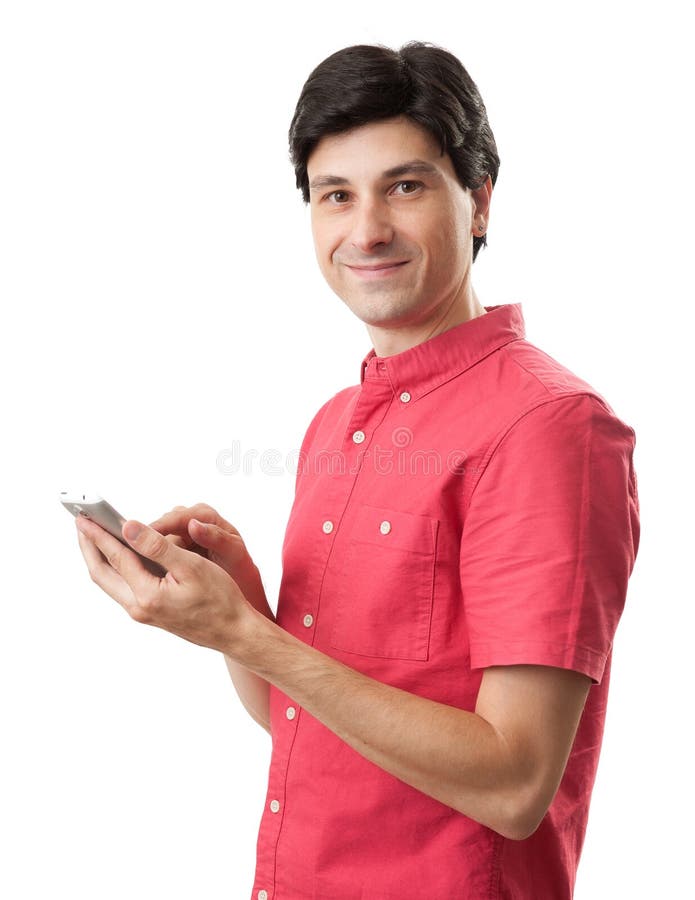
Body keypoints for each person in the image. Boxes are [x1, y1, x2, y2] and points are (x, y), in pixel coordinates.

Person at [75, 41, 640, 900]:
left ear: (479, 202)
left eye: (404, 187)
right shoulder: (335, 424)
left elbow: (515, 784)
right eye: (335, 195)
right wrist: (242, 603)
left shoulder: (549, 427)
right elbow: (298, 721)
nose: (365, 229)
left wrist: (243, 633)